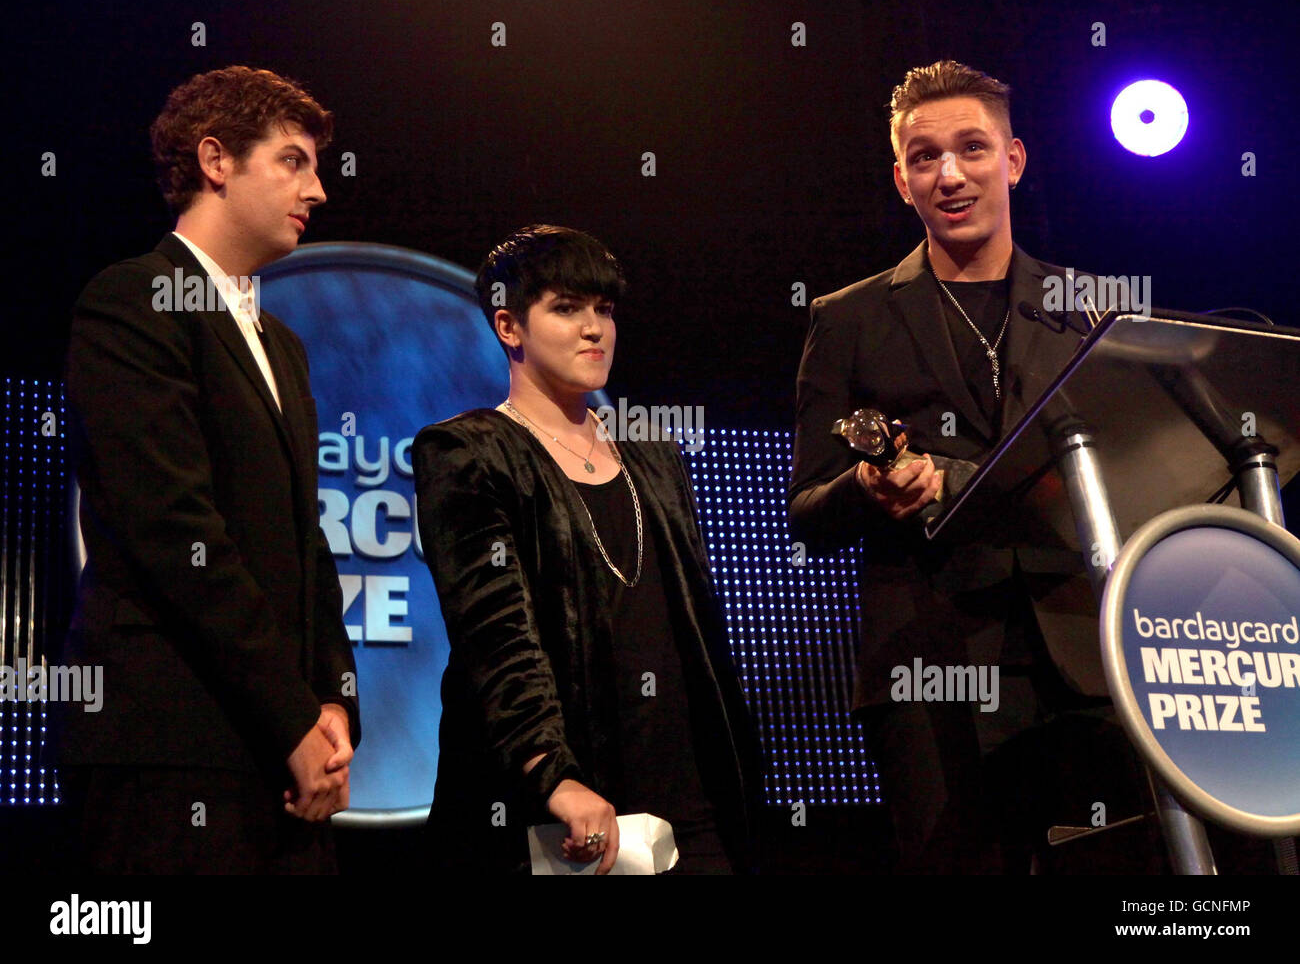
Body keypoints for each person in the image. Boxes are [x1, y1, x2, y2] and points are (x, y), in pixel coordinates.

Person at [789, 61, 1146, 872]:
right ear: (901, 179)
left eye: (971, 149)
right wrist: (867, 487)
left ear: (1013, 160)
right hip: (930, 670)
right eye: (924, 157)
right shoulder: (846, 319)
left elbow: (1137, 478)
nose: (949, 174)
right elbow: (806, 509)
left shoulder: (1092, 308)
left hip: (1089, 659)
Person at [56, 65, 360, 873]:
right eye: (294, 161)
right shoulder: (133, 298)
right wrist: (291, 717)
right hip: (172, 749)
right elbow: (174, 532)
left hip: (290, 768)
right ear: (216, 160)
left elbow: (306, 544)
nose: (318, 189)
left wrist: (334, 707)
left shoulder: (283, 346)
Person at [413, 224, 760, 874]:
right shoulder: (470, 452)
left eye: (603, 308)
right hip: (557, 810)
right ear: (509, 326)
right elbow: (496, 635)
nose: (594, 327)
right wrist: (554, 775)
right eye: (567, 307)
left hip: (688, 806)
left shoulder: (652, 453)